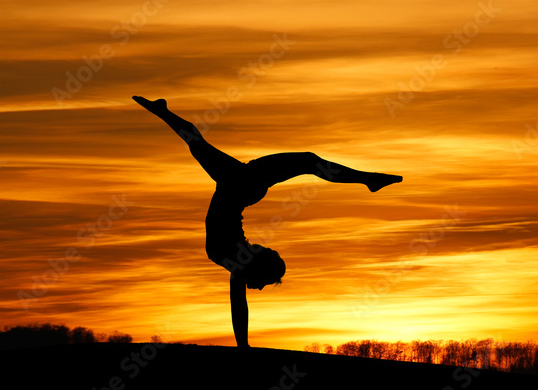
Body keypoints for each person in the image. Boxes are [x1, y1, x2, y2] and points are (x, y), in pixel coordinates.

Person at [132, 95, 402, 347]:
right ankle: (369, 180)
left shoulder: (235, 261)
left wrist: (243, 345)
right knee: (304, 160)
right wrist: (244, 346)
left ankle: (163, 111)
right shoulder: (236, 259)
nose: (259, 287)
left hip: (241, 184)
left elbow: (238, 301)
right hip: (242, 185)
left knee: (202, 144)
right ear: (258, 266)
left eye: (262, 283)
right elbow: (239, 303)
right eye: (264, 281)